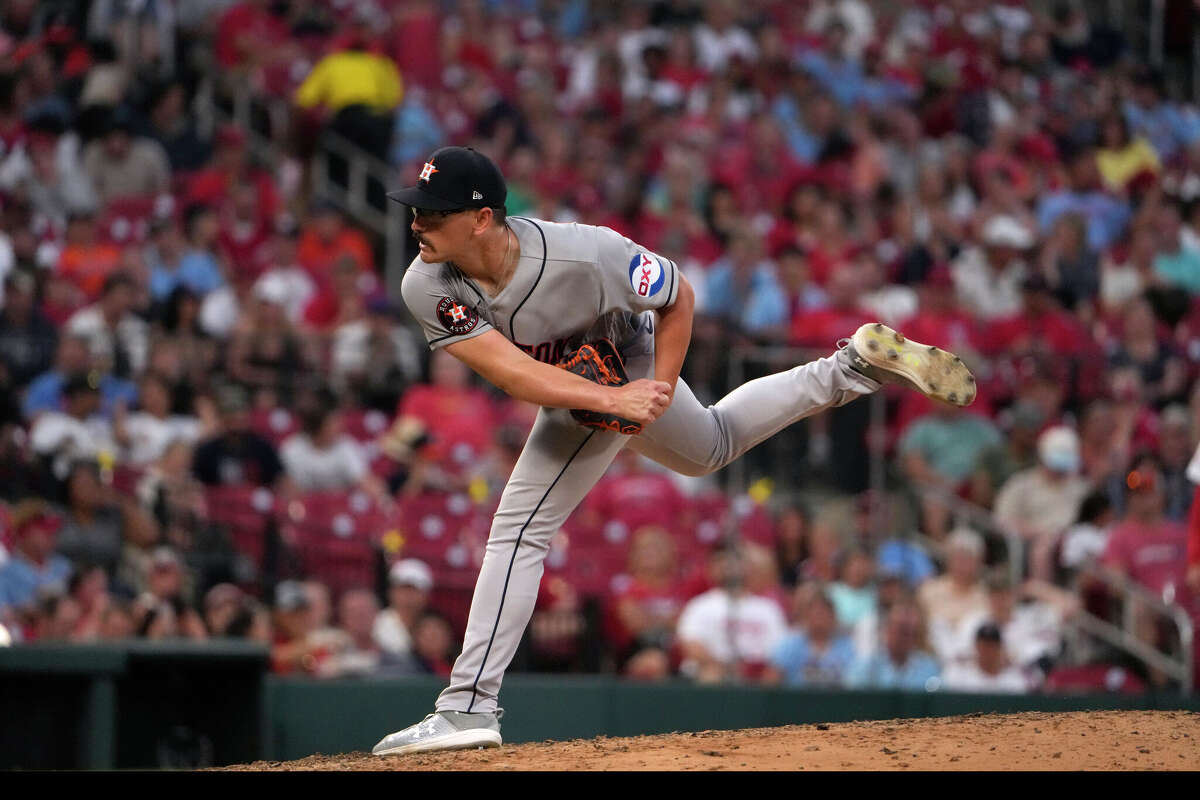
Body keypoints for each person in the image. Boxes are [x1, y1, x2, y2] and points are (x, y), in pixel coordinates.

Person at [370, 146, 974, 755]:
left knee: (520, 530)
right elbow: (515, 377)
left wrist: (654, 386)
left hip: (626, 353)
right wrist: (616, 402)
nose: (416, 223)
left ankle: (467, 707)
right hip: (588, 384)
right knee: (711, 445)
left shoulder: (589, 252)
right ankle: (850, 369)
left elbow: (678, 295)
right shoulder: (426, 281)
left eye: (433, 212)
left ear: (481, 219)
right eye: (416, 209)